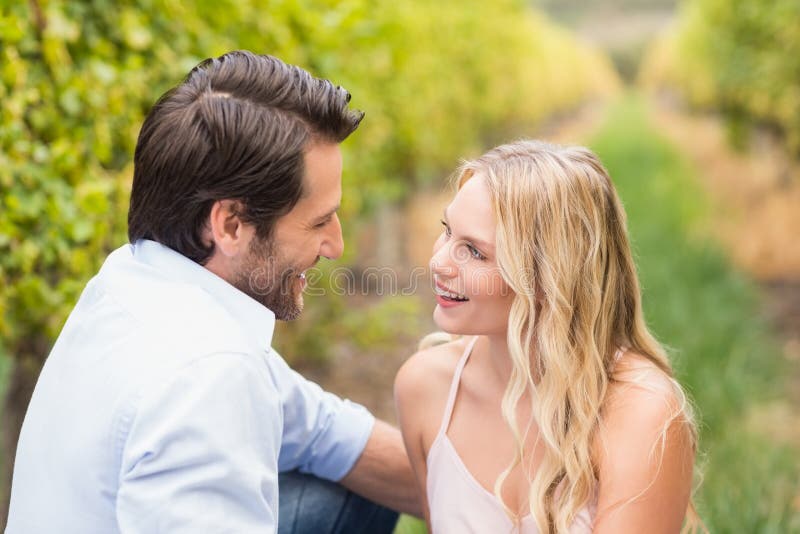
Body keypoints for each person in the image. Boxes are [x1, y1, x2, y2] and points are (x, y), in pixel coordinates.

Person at [7, 51, 419, 533]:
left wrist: (498, 508)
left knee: (350, 486)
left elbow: (322, 430)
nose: (336, 244)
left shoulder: (131, 281)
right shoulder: (209, 375)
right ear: (230, 224)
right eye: (319, 221)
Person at [394, 140, 702, 533]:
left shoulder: (641, 412)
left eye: (473, 251)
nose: (438, 262)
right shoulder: (425, 387)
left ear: (549, 278)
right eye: (446, 231)